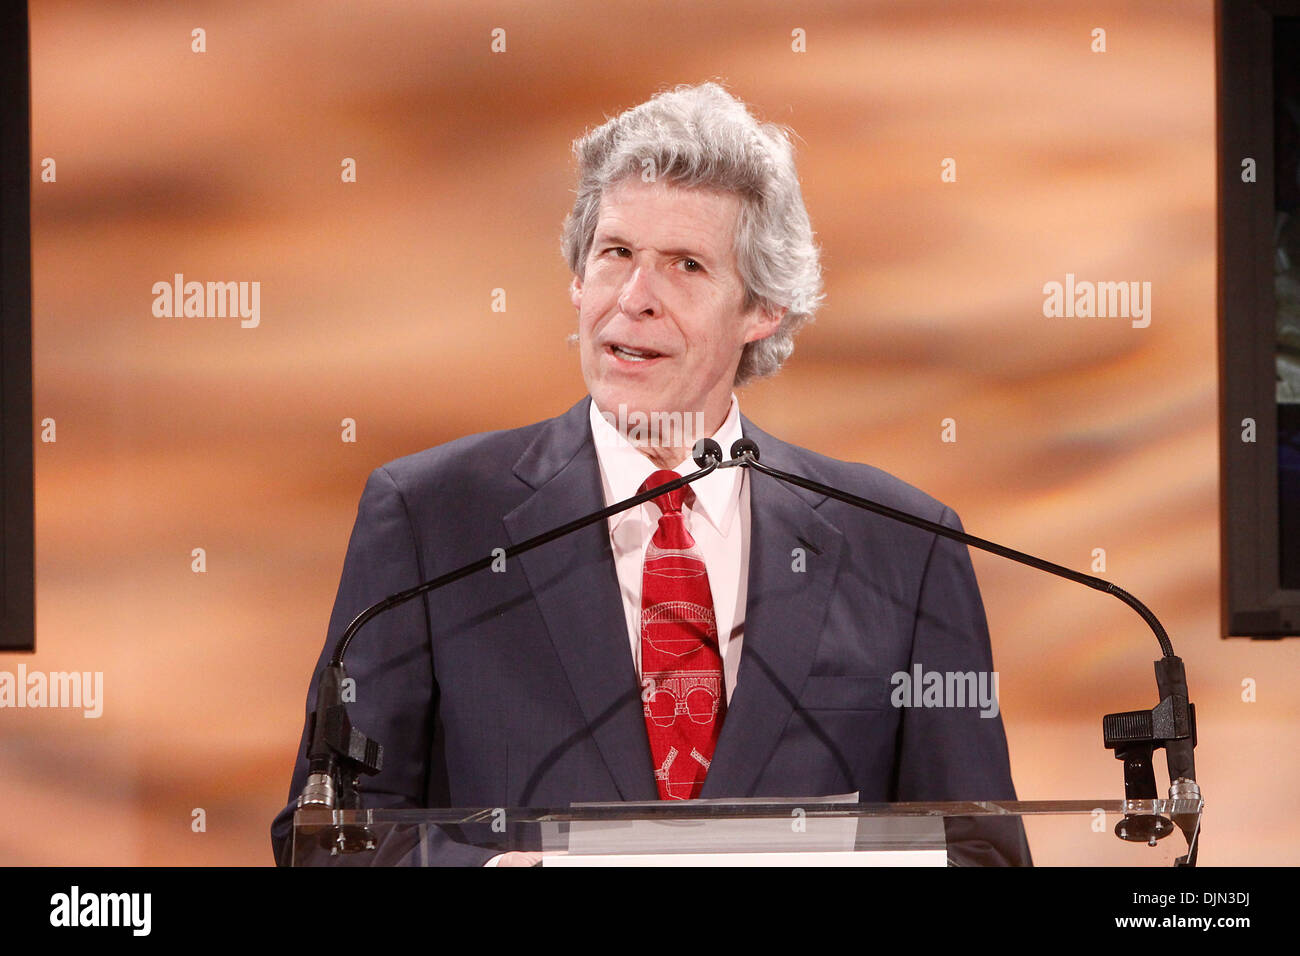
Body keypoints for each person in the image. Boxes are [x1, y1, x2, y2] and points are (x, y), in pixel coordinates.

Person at [271, 81, 1028, 866]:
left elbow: (983, 853)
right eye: (616, 254)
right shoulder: (432, 518)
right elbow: (327, 842)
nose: (635, 299)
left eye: (686, 266)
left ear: (762, 307)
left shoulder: (901, 545)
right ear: (576, 277)